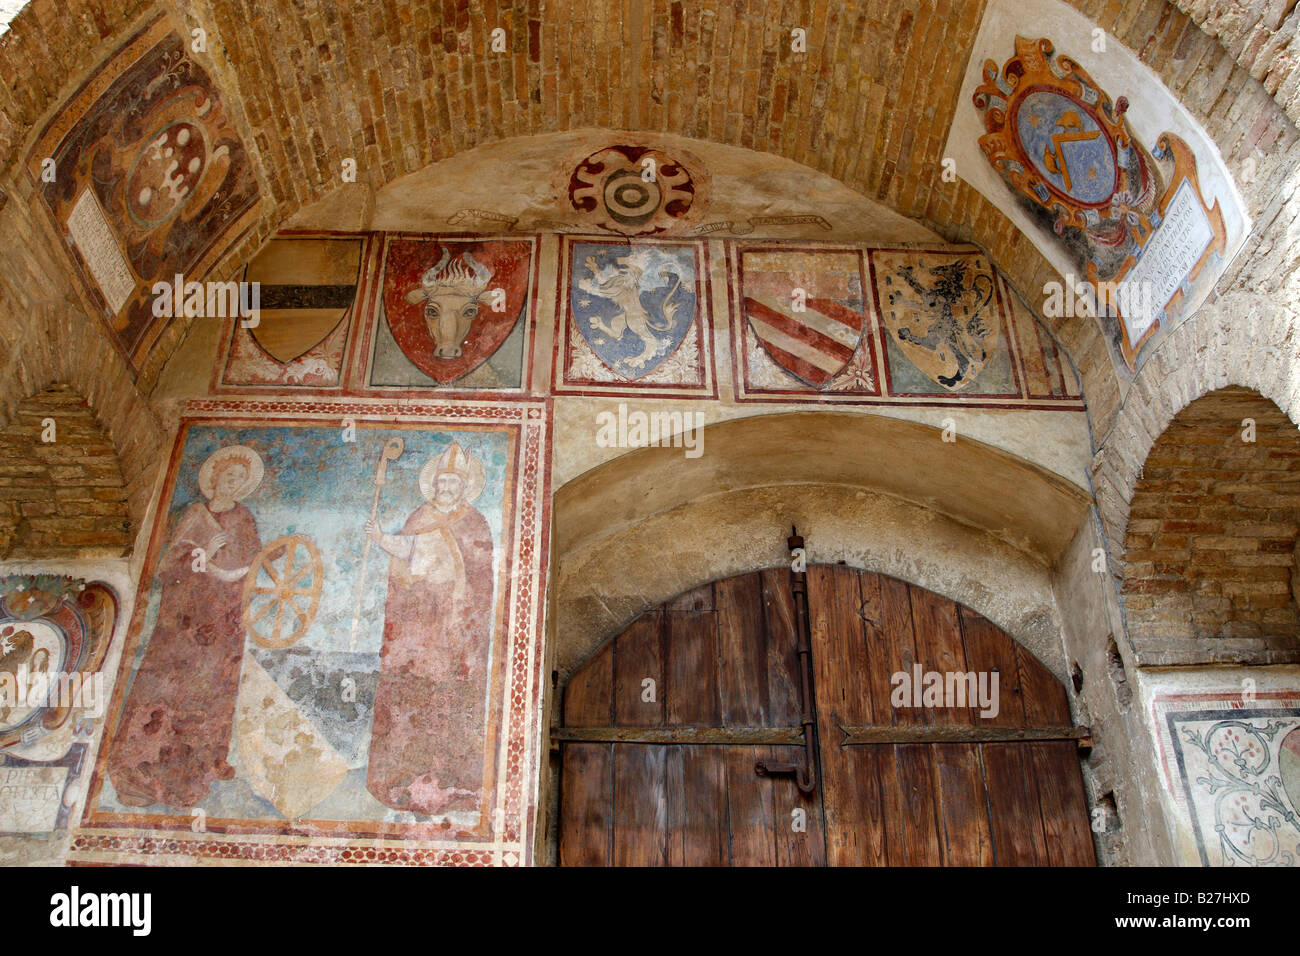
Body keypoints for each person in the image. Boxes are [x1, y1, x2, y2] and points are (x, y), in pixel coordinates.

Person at [107, 445, 263, 808]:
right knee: (165, 688)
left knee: (208, 693)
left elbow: (253, 564)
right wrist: (204, 559)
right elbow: (168, 568)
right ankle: (140, 770)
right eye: (228, 475)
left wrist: (231, 573)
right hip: (182, 624)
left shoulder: (244, 519)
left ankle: (192, 777)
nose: (233, 482)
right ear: (214, 478)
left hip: (222, 624)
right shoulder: (194, 515)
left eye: (239, 479)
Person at [363, 442, 495, 818]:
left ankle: (449, 778)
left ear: (465, 487)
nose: (446, 488)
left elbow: (480, 573)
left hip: (454, 634)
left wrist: (457, 594)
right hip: (417, 633)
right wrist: (381, 539)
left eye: (454, 482)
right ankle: (401, 776)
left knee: (448, 700)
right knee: (409, 697)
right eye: (442, 482)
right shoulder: (419, 516)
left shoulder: (475, 521)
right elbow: (404, 562)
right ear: (433, 485)